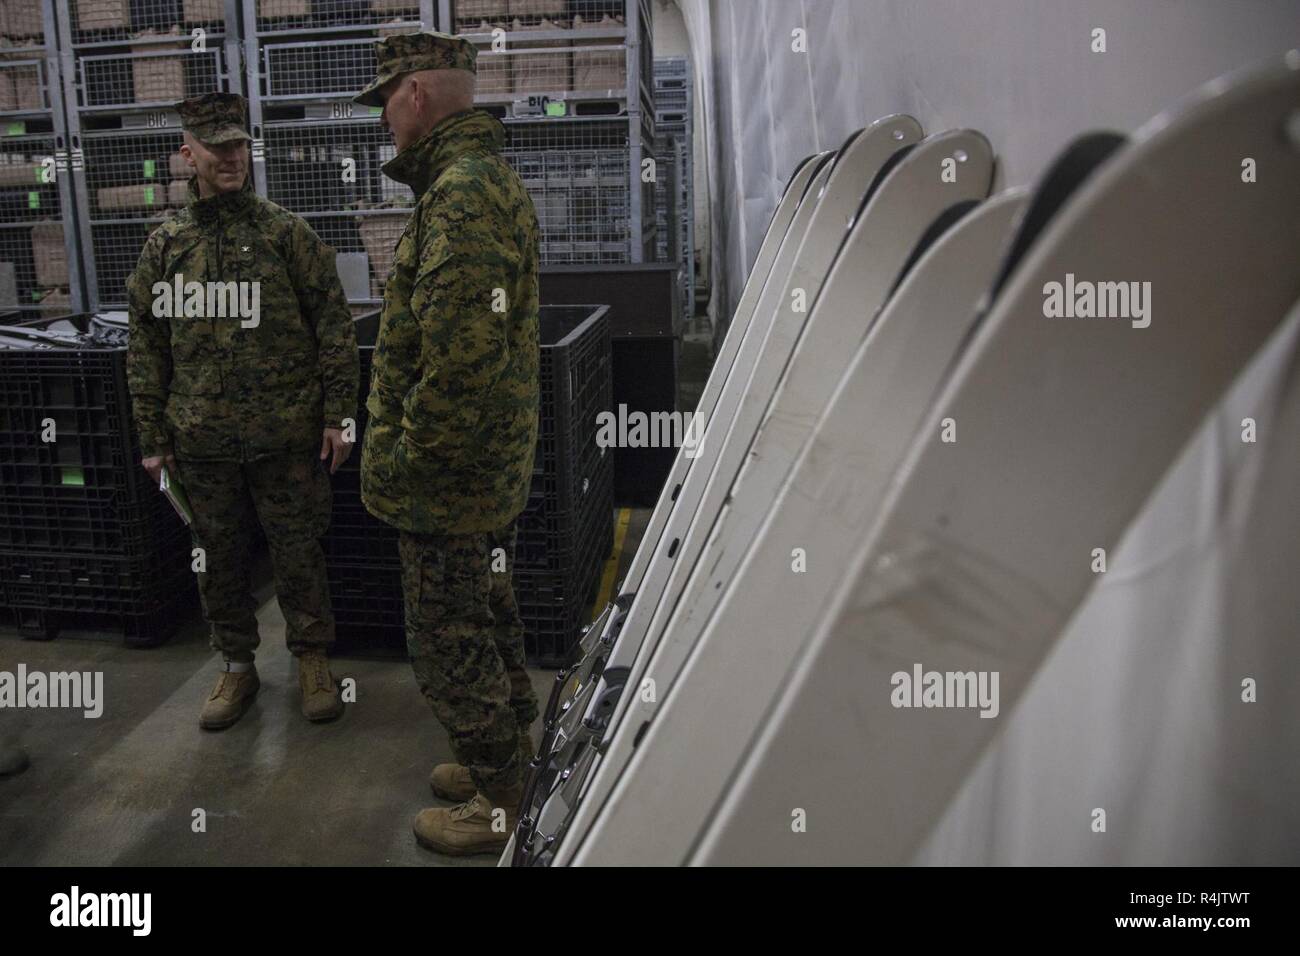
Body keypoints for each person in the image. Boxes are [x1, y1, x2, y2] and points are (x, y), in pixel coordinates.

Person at [354, 32, 541, 855]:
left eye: (387, 100)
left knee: (448, 639)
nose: (386, 119)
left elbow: (460, 359)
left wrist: (405, 463)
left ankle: (500, 802)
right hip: (484, 471)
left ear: (417, 94)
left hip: (449, 480)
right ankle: (512, 760)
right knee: (488, 612)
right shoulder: (482, 181)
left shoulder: (460, 194)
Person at [126, 93, 359, 730]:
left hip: (286, 436)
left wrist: (339, 416)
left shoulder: (287, 234)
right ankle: (235, 665)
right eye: (216, 146)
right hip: (199, 439)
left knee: (299, 550)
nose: (231, 157)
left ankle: (312, 659)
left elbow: (333, 325)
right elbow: (145, 344)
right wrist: (153, 436)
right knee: (216, 555)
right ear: (188, 154)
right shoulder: (166, 247)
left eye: (238, 145)